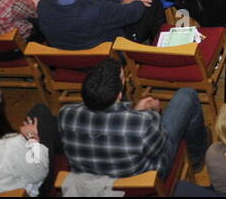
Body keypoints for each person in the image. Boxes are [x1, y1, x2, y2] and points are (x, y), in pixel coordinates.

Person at [57, 57, 207, 178]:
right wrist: (153, 113)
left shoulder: (65, 114)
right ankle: (196, 157)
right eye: (123, 78)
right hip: (146, 177)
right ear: (119, 94)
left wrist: (134, 111)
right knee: (187, 96)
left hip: (93, 182)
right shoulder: (144, 121)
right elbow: (159, 149)